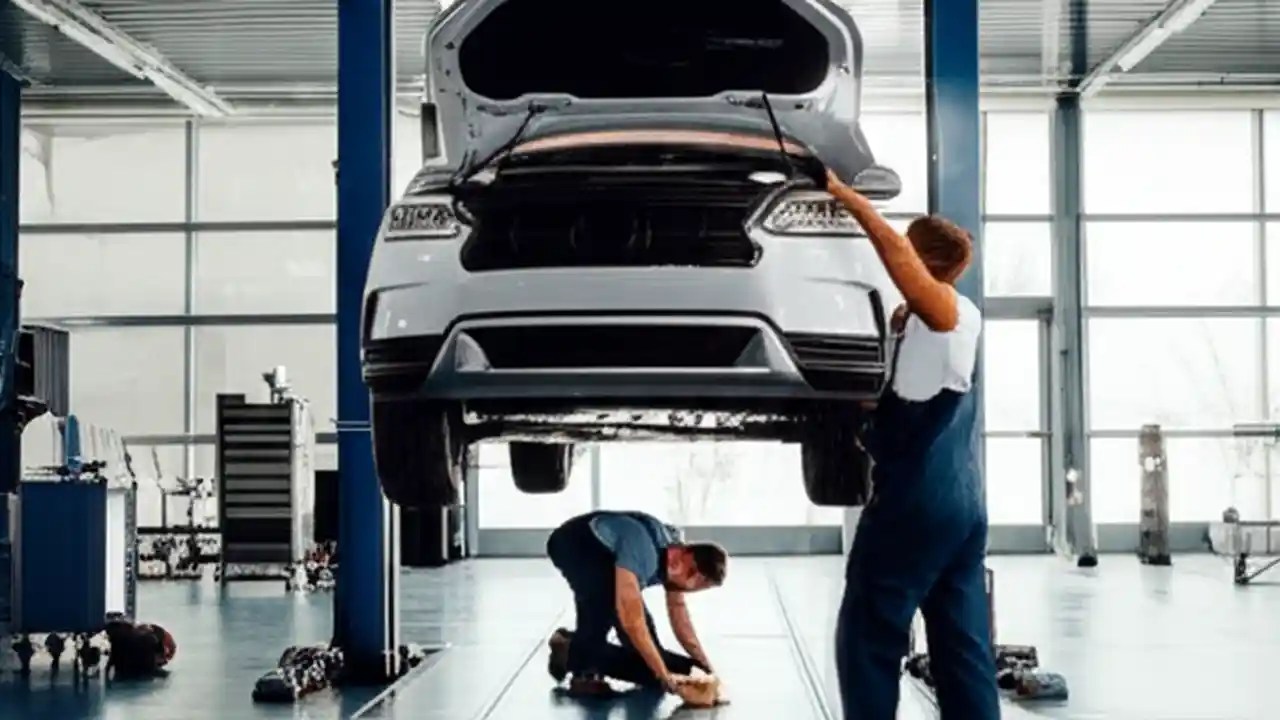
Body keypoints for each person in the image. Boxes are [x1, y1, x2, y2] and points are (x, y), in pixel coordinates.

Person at [825, 169, 1001, 719]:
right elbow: (917, 402)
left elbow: (898, 256)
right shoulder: (950, 324)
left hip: (914, 507)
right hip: (963, 509)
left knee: (868, 637)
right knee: (962, 645)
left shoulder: (945, 310)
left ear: (921, 262)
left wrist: (842, 193)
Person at [544, 510, 727, 701]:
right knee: (602, 604)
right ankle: (580, 665)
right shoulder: (644, 553)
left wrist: (705, 669)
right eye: (690, 573)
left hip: (614, 556)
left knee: (652, 663)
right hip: (576, 544)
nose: (688, 584)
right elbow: (631, 621)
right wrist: (663, 675)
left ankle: (573, 648)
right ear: (684, 553)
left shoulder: (677, 559)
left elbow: (679, 614)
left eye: (694, 585)